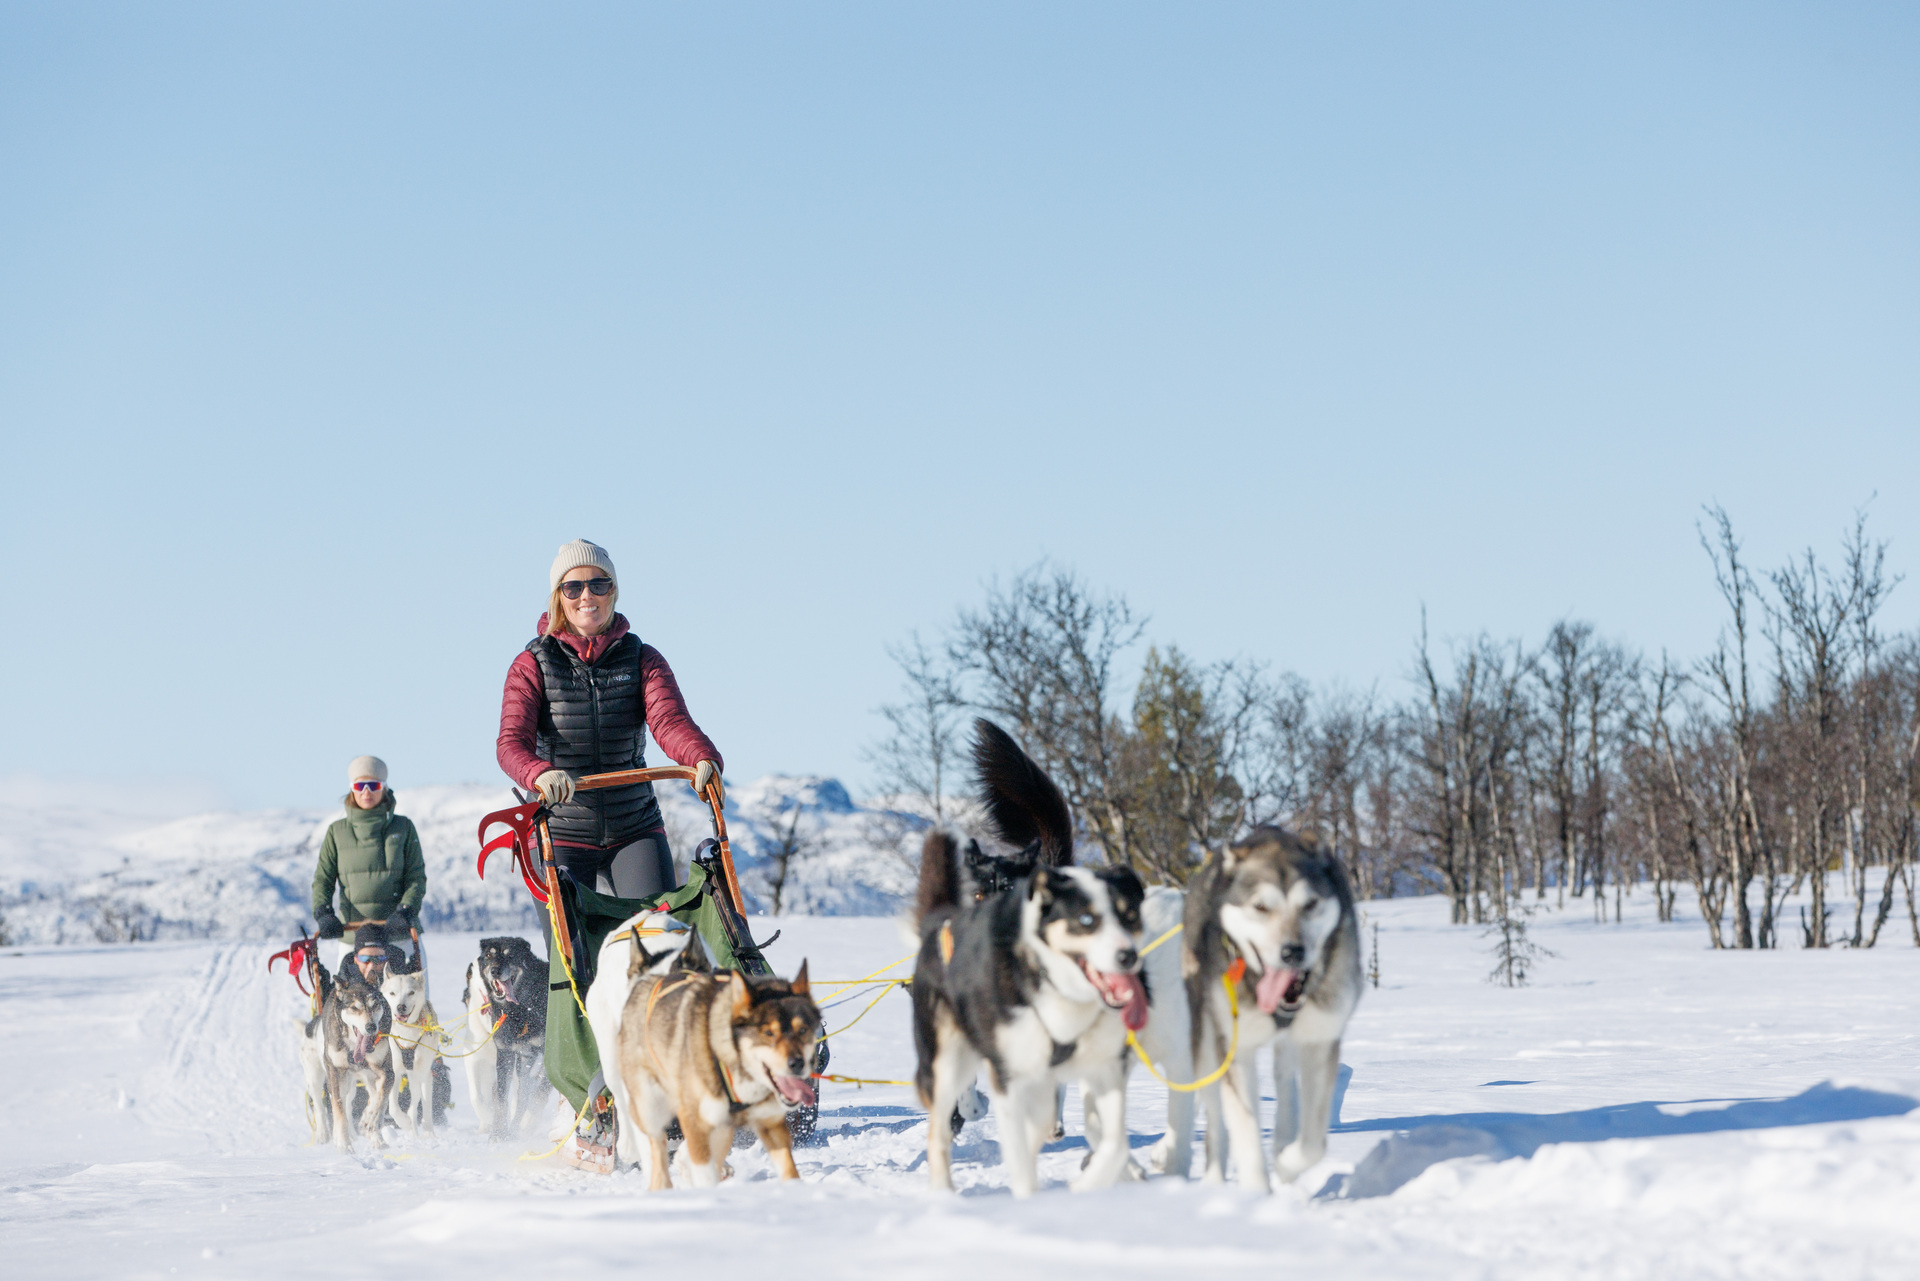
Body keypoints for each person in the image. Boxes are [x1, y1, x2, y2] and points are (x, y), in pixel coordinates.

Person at [495, 539, 723, 901]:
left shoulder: (641, 657)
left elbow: (669, 721)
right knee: (573, 948)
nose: (586, 595)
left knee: (660, 935)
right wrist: (538, 773)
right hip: (559, 827)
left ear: (612, 592)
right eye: (573, 586)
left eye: (598, 584)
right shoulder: (533, 664)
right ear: (559, 596)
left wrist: (700, 757)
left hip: (634, 827)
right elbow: (511, 743)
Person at [312, 754, 428, 956]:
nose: (366, 792)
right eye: (360, 786)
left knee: (411, 987)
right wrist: (323, 913)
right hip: (353, 940)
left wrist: (405, 911)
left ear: (383, 787)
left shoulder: (404, 827)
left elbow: (415, 877)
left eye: (373, 786)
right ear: (351, 789)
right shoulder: (336, 832)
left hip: (399, 936)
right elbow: (324, 880)